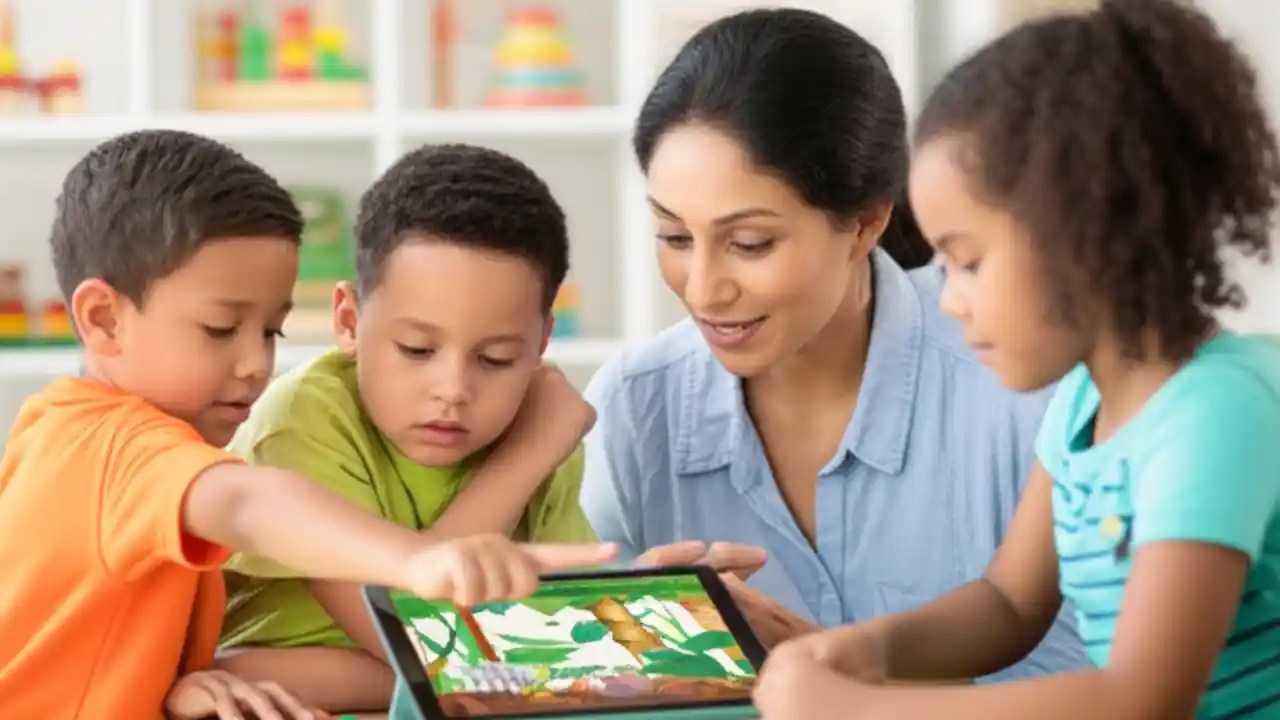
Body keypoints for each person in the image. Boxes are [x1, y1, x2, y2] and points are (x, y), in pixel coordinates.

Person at [752, 1, 1280, 718]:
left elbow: (1145, 697)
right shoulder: (1083, 406)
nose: (949, 300)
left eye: (967, 262)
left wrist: (860, 710)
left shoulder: (1217, 409)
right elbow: (1008, 604)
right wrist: (862, 650)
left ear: (1086, 234)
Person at [0, 130, 616, 720]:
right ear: (104, 319)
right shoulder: (109, 446)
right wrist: (416, 564)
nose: (256, 364)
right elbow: (246, 501)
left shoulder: (99, 441)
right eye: (220, 329)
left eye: (272, 330)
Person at [581, 6, 1085, 679]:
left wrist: (814, 660)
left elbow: (1104, 688)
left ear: (864, 222)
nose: (702, 289)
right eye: (674, 237)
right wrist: (634, 640)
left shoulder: (1021, 383)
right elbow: (569, 686)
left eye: (750, 243)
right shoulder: (635, 407)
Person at [215, 143, 601, 715]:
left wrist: (652, 588)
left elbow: (563, 645)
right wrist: (526, 456)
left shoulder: (541, 428)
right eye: (417, 349)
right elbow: (422, 640)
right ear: (349, 321)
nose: (453, 389)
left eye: (495, 359)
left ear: (541, 344)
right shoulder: (302, 421)